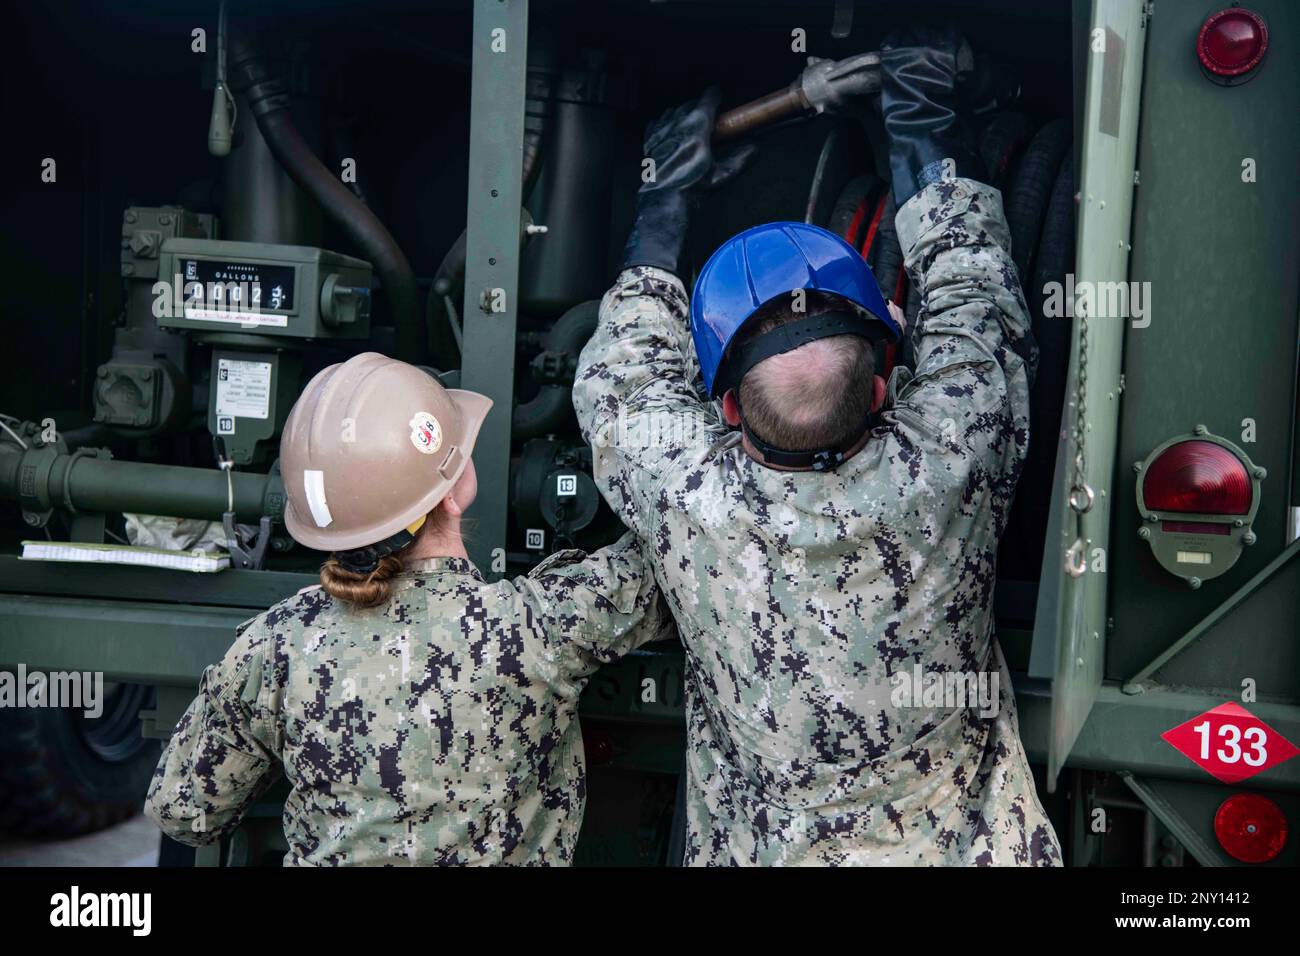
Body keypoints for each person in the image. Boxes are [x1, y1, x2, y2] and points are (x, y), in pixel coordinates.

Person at [572, 25, 1061, 865]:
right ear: (882, 387)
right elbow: (974, 287)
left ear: (726, 408)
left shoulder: (685, 493)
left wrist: (665, 196)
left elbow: (622, 369)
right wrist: (922, 118)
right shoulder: (956, 451)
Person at [145, 352, 668, 865]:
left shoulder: (275, 645)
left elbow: (183, 813)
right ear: (453, 494)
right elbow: (683, 551)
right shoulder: (540, 626)